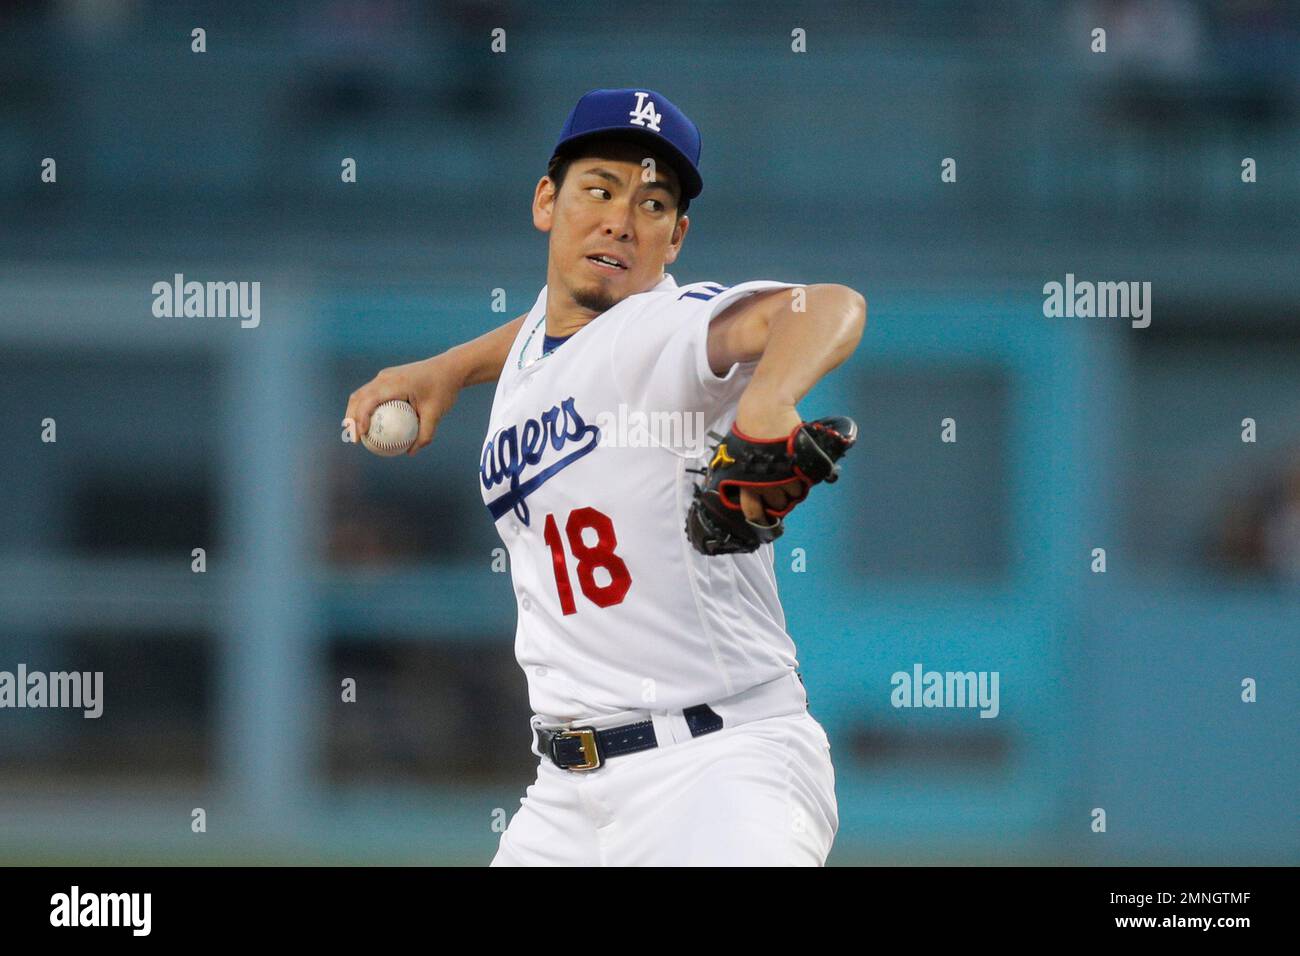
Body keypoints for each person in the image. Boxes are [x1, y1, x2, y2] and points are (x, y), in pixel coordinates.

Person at [345, 88, 866, 865]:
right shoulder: (536, 347)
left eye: (653, 203)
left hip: (718, 771)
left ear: (676, 237)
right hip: (563, 800)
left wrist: (766, 402)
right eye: (600, 189)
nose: (622, 219)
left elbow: (824, 307)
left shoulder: (666, 327)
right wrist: (449, 369)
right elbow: (551, 340)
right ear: (546, 202)